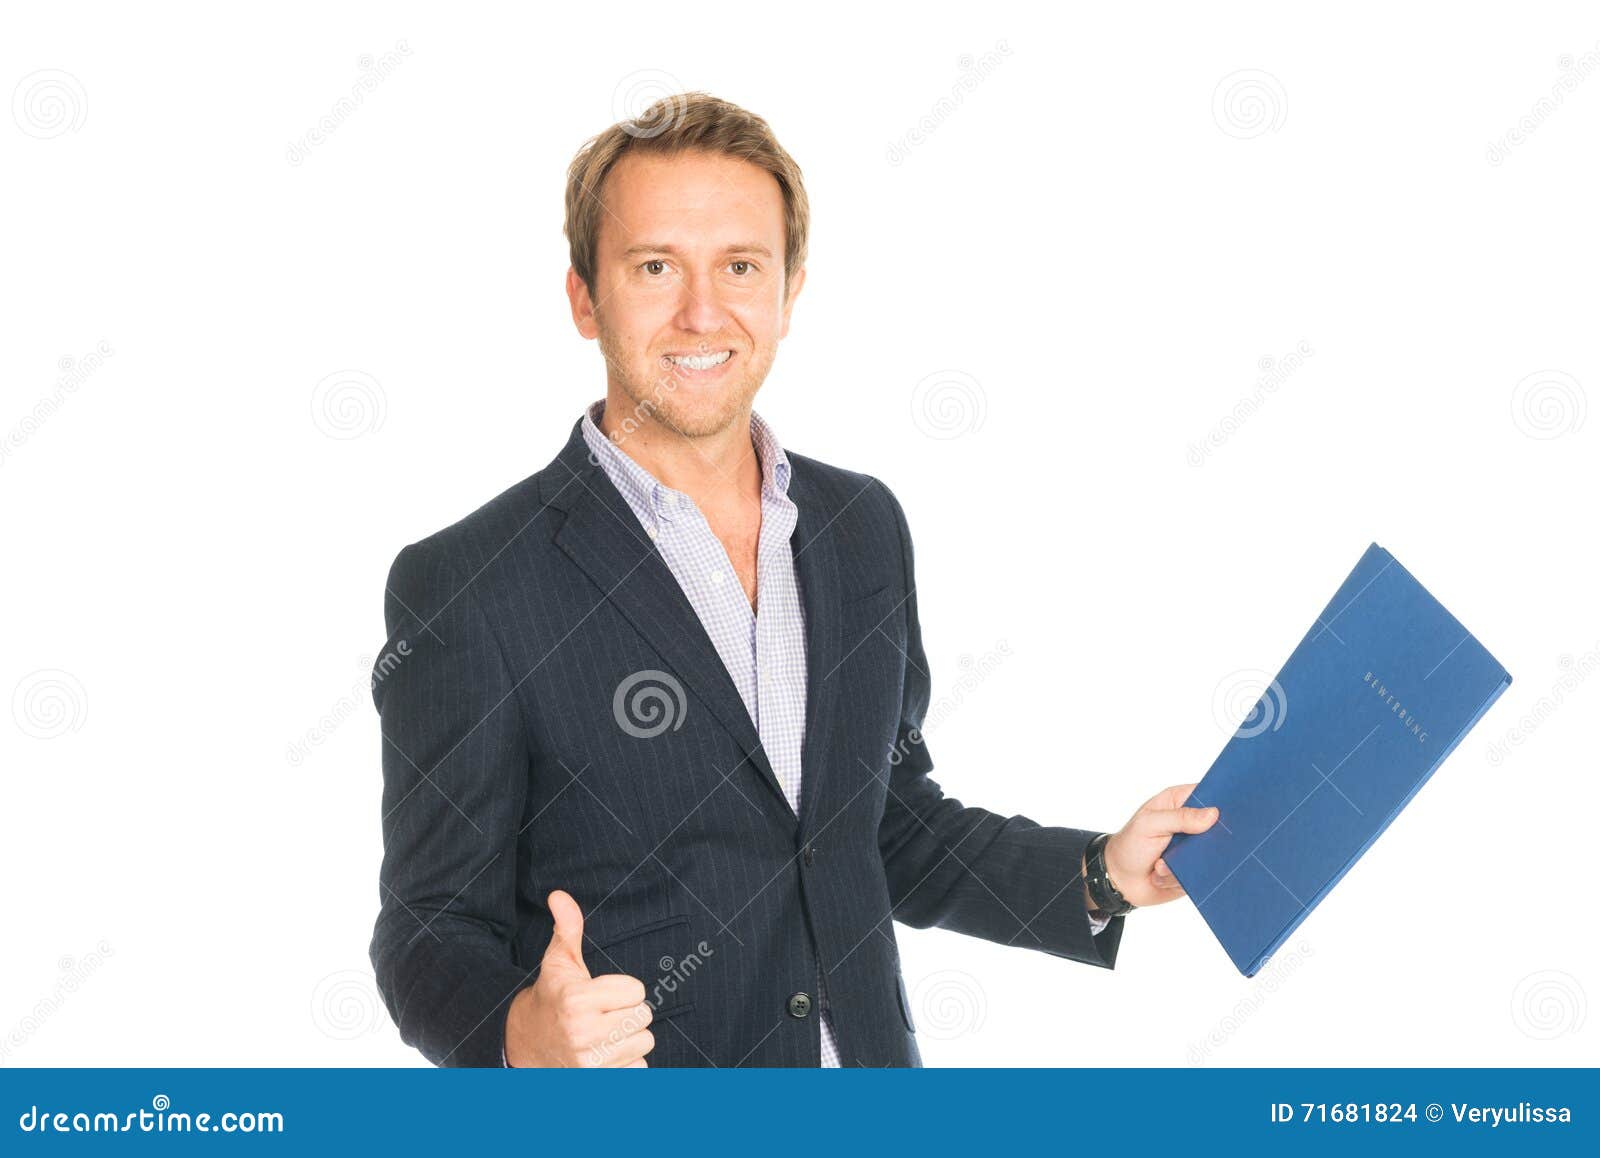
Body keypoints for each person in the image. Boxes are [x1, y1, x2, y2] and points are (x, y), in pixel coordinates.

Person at [369, 91, 1220, 1068]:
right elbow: (427, 929)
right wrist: (520, 1036)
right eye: (655, 268)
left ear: (788, 291)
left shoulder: (860, 527)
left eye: (739, 266)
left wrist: (1100, 873)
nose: (702, 312)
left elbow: (881, 824)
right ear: (582, 296)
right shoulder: (472, 583)